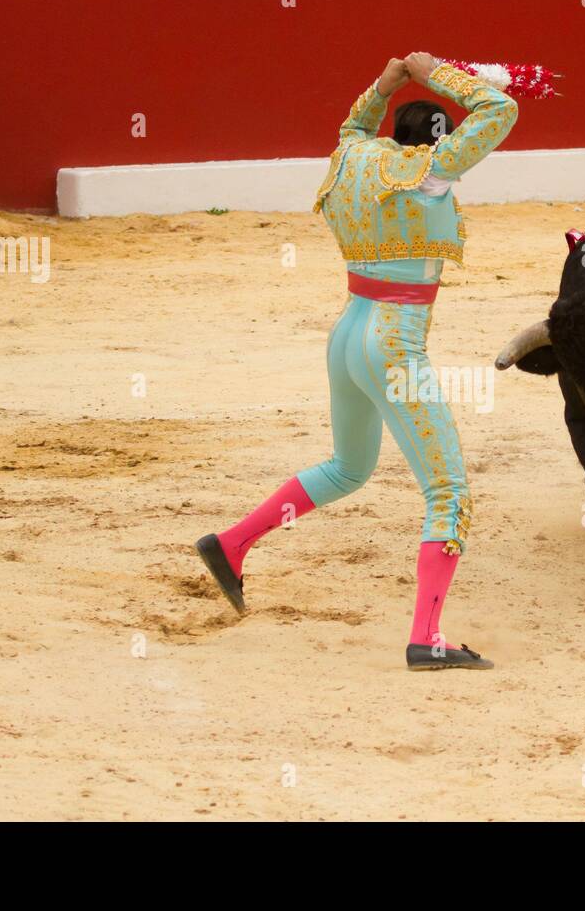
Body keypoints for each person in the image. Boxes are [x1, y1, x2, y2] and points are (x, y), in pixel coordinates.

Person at [196, 51, 518, 670]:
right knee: (449, 492)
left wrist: (387, 82)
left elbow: (352, 127)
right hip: (395, 343)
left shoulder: (354, 157)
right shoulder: (432, 171)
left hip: (348, 335)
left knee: (348, 468)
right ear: (441, 139)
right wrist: (432, 73)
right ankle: (427, 638)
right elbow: (498, 107)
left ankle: (232, 544)